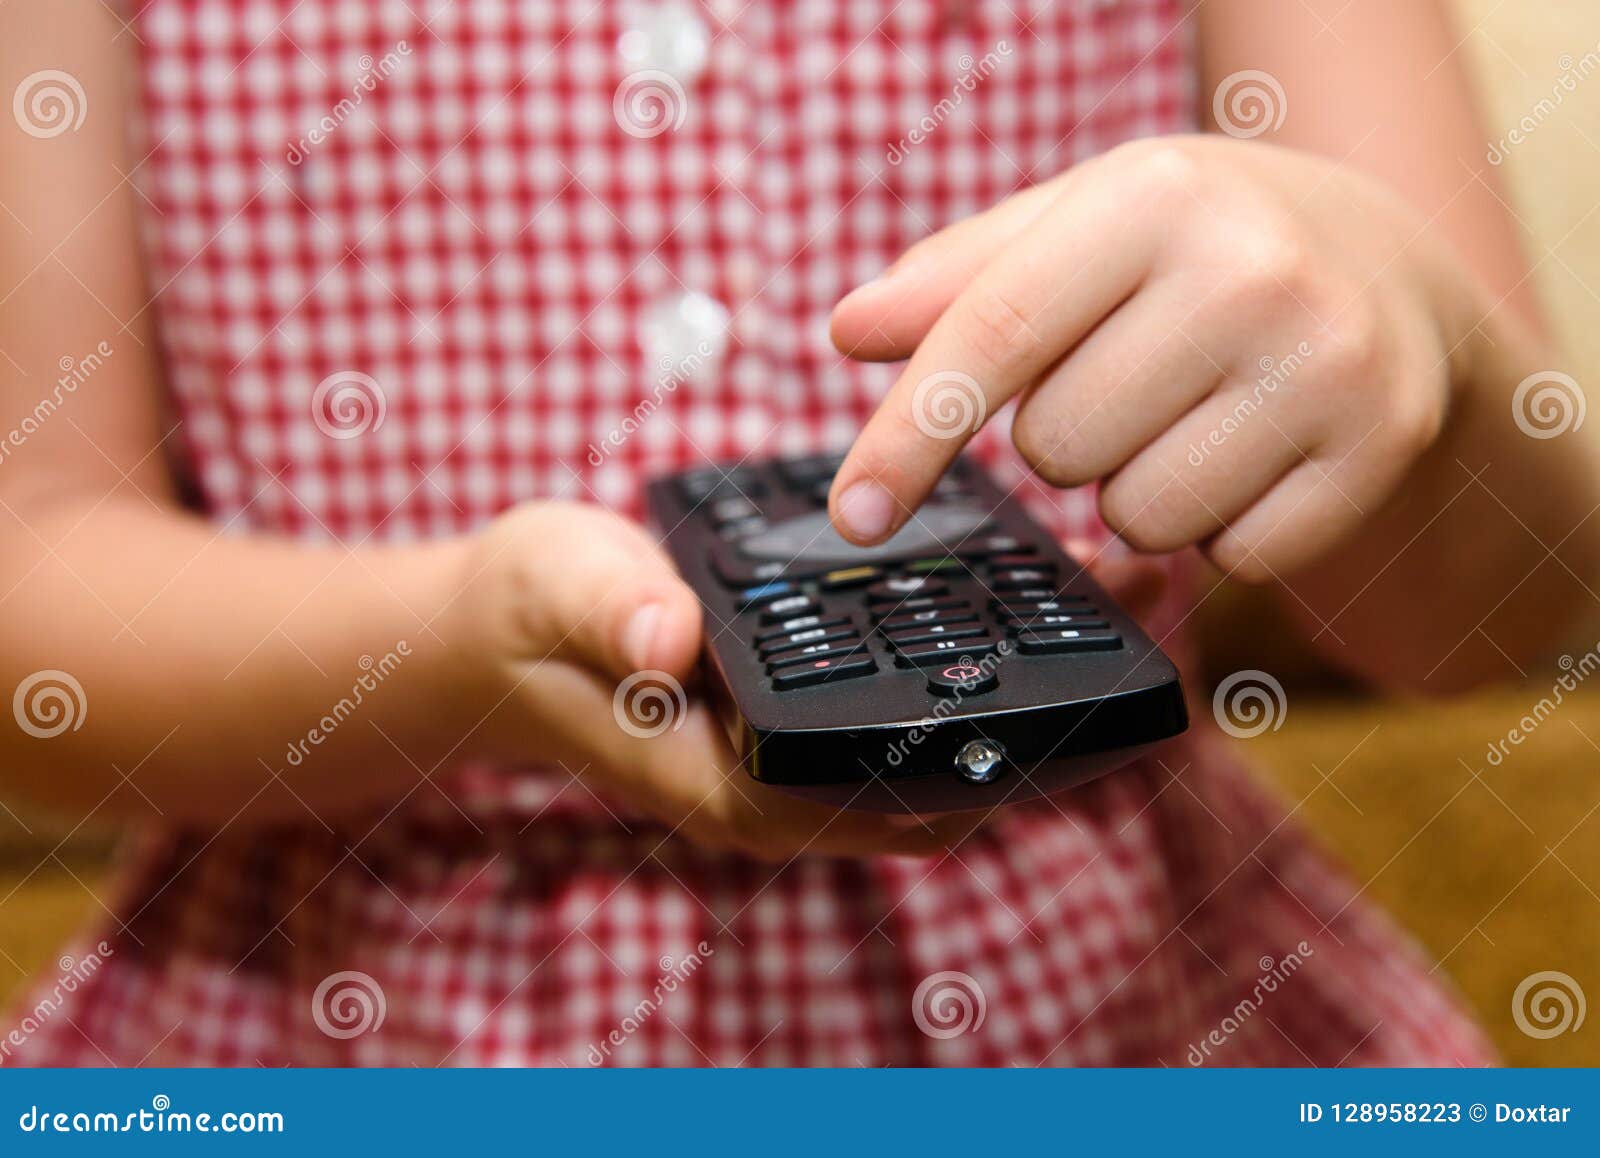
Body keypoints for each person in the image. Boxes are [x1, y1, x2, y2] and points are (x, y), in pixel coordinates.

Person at [1, 0, 1589, 1065]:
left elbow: (1491, 619)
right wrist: (448, 655)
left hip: (1126, 986)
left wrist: (1419, 332)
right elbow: (36, 586)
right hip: (341, 1012)